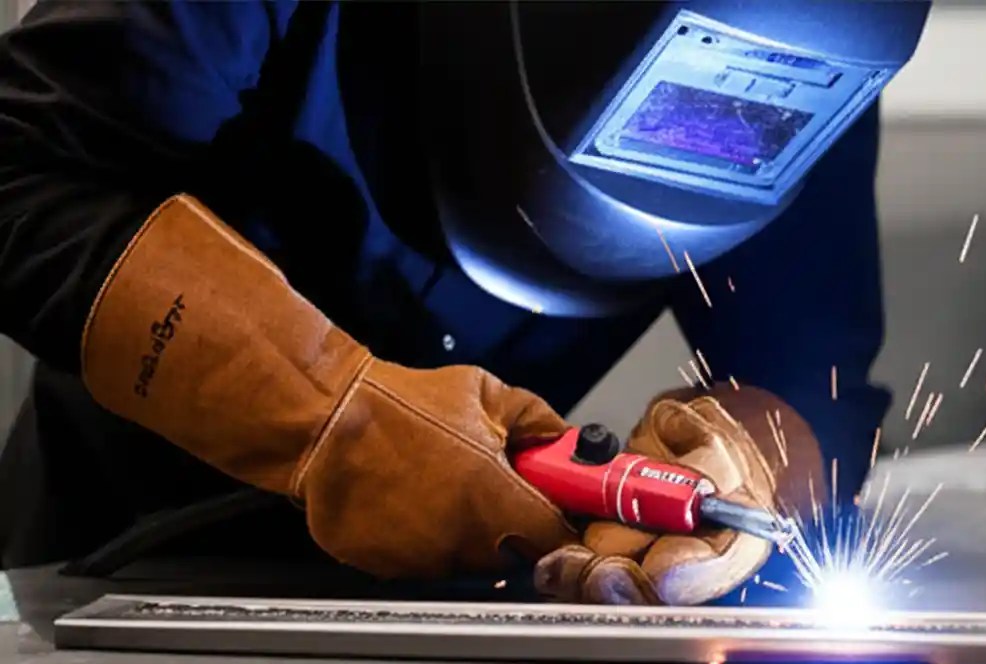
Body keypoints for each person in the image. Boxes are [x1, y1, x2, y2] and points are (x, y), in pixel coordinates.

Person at [0, 2, 924, 605]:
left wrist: (754, 458)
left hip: (478, 609)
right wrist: (324, 412)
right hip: (116, 577)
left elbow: (813, 377)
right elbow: (17, 169)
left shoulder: (807, 43)